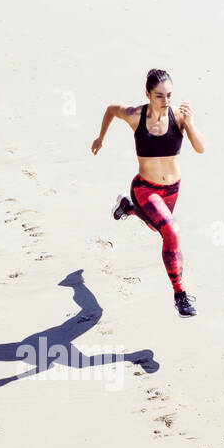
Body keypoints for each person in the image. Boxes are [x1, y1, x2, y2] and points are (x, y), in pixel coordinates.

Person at [91, 68, 204, 317]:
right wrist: (101, 138)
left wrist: (191, 123)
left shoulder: (179, 117)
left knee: (158, 228)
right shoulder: (135, 116)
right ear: (148, 94)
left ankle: (127, 207)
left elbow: (200, 148)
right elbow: (111, 109)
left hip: (172, 189)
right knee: (171, 230)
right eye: (159, 96)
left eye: (169, 95)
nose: (166, 102)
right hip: (145, 188)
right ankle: (180, 295)